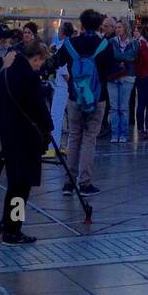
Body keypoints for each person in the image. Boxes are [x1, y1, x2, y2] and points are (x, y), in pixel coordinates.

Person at [0, 40, 53, 244]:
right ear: (35, 58)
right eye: (40, 62)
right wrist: (48, 126)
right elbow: (39, 107)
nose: (40, 66)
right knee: (21, 187)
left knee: (14, 183)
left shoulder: (5, 73)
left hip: (9, 135)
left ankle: (7, 224)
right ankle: (13, 228)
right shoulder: (29, 77)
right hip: (26, 137)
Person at [55, 10, 106, 196]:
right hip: (97, 97)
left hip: (74, 96)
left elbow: (57, 61)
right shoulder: (104, 45)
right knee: (90, 139)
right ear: (99, 25)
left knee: (74, 136)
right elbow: (112, 67)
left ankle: (68, 183)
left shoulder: (70, 44)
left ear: (81, 25)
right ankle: (85, 182)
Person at [102, 20, 139, 144]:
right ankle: (114, 134)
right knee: (114, 107)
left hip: (128, 76)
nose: (117, 29)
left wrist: (120, 57)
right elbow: (112, 55)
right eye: (116, 27)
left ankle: (123, 134)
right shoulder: (111, 42)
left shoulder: (134, 42)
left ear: (126, 28)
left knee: (123, 107)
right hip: (113, 77)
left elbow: (132, 56)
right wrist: (123, 58)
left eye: (120, 27)